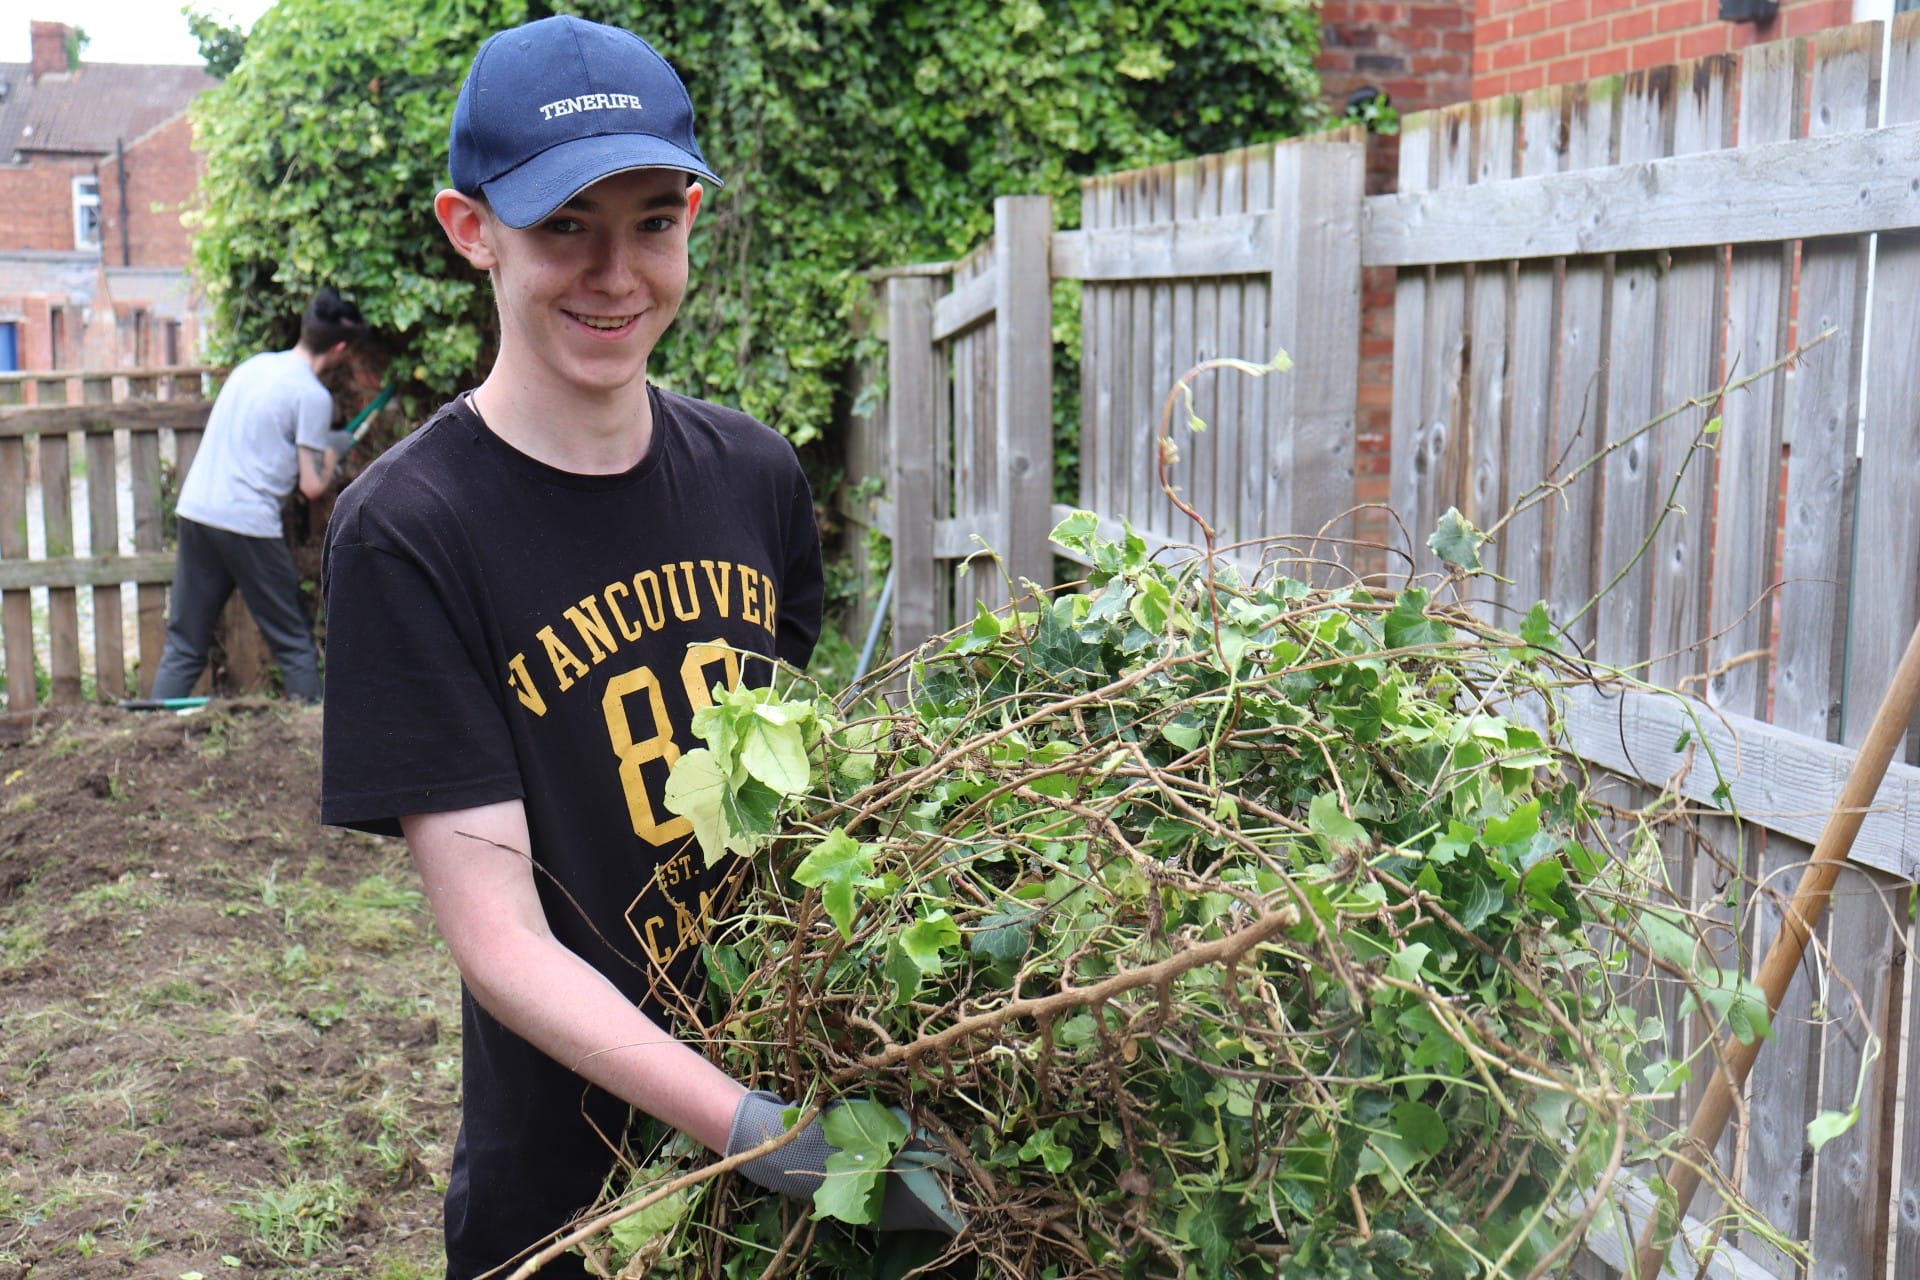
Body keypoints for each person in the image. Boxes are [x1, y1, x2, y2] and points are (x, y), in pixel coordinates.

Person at [317, 16, 957, 1278]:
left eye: (652, 222)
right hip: (578, 1197)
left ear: (693, 219)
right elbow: (500, 937)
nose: (615, 274)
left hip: (806, 1092)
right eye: (565, 225)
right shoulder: (410, 530)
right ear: (471, 229)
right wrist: (749, 1128)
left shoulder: (757, 475)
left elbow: (789, 803)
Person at [149, 286, 366, 704]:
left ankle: (149, 732)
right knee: (293, 641)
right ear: (340, 348)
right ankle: (311, 730)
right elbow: (311, 485)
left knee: (185, 644)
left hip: (197, 510)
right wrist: (333, 455)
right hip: (246, 521)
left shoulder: (254, 367)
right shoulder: (312, 395)